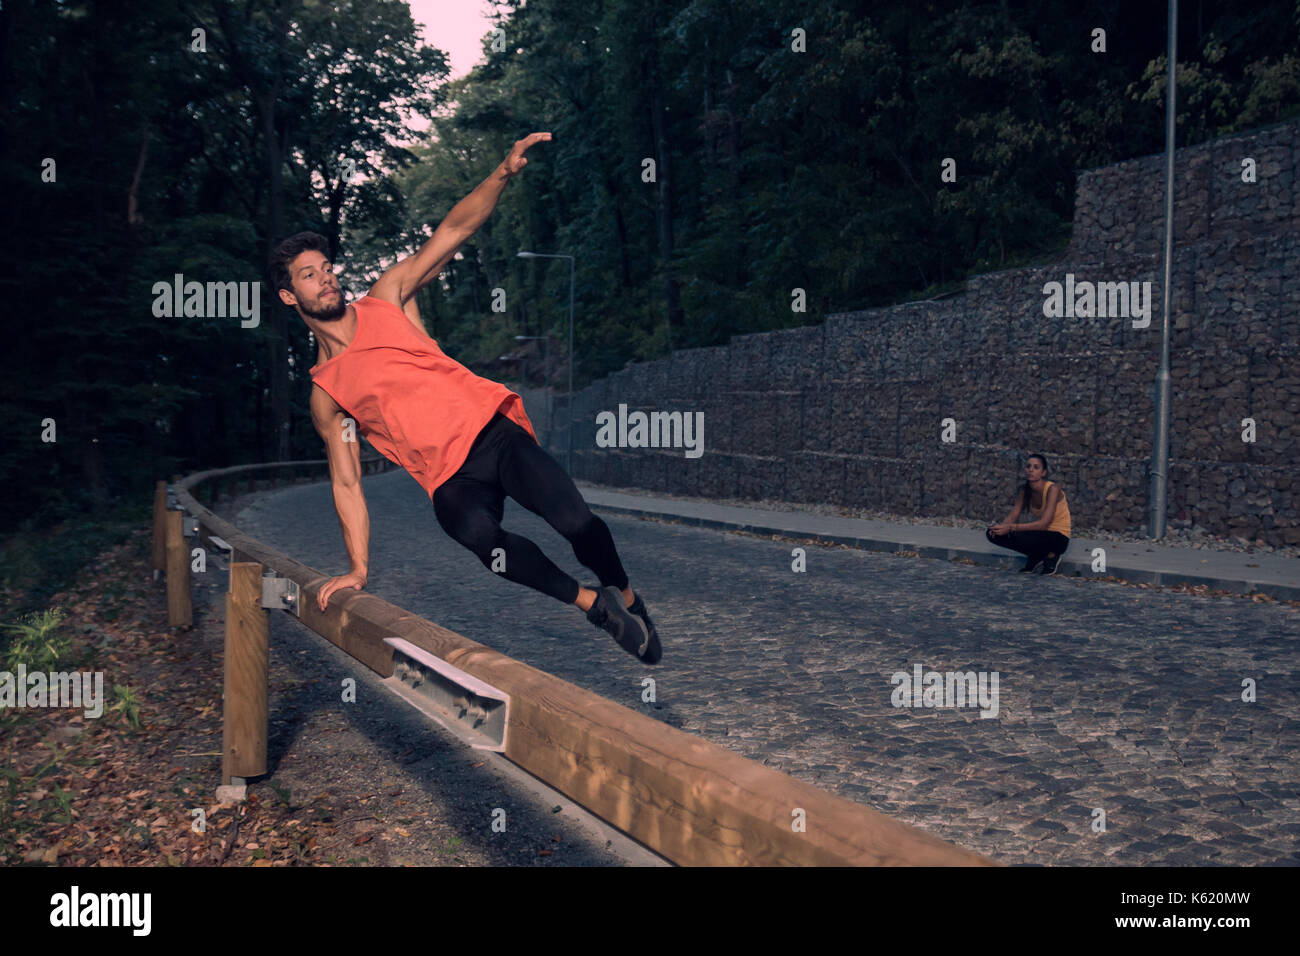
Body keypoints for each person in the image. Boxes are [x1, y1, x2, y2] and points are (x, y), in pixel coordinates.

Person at [268, 132, 661, 664]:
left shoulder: (388, 299)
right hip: (449, 478)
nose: (326, 279)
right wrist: (358, 568)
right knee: (479, 538)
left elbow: (453, 229)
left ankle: (629, 599)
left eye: (327, 268)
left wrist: (502, 171)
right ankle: (595, 605)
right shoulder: (326, 394)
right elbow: (346, 481)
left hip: (494, 436)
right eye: (309, 276)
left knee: (577, 524)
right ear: (291, 296)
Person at [986, 453, 1071, 575]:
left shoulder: (1053, 489)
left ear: (1043, 473)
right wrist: (1001, 528)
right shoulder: (1025, 490)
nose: (1031, 470)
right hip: (1042, 535)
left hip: (1058, 538)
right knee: (991, 533)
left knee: (1021, 533)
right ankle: (1037, 555)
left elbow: (1044, 524)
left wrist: (1010, 528)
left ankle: (1051, 556)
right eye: (1028, 466)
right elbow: (1013, 516)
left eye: (1036, 467)